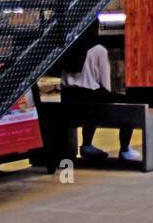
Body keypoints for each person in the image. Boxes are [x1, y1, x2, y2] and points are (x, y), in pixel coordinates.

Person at [59, 21, 139, 163]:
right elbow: (105, 82)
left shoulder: (68, 47)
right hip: (88, 99)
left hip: (67, 97)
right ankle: (125, 149)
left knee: (91, 104)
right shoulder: (98, 50)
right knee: (129, 105)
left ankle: (87, 144)